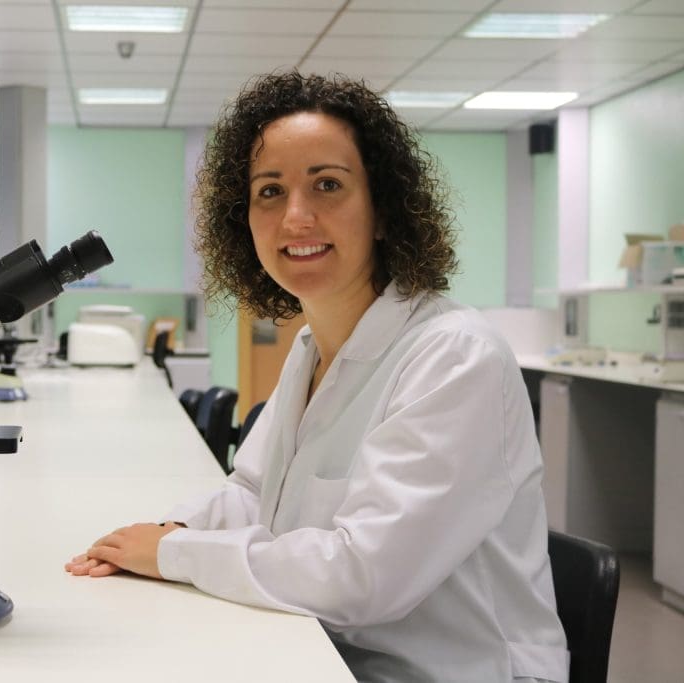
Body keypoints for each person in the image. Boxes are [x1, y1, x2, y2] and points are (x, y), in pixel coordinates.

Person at [65, 71, 568, 683]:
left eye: (327, 185)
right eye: (270, 191)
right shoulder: (312, 346)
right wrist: (172, 530)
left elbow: (365, 578)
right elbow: (254, 494)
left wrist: (175, 554)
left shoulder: (454, 357)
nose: (296, 216)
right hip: (330, 650)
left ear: (383, 210)